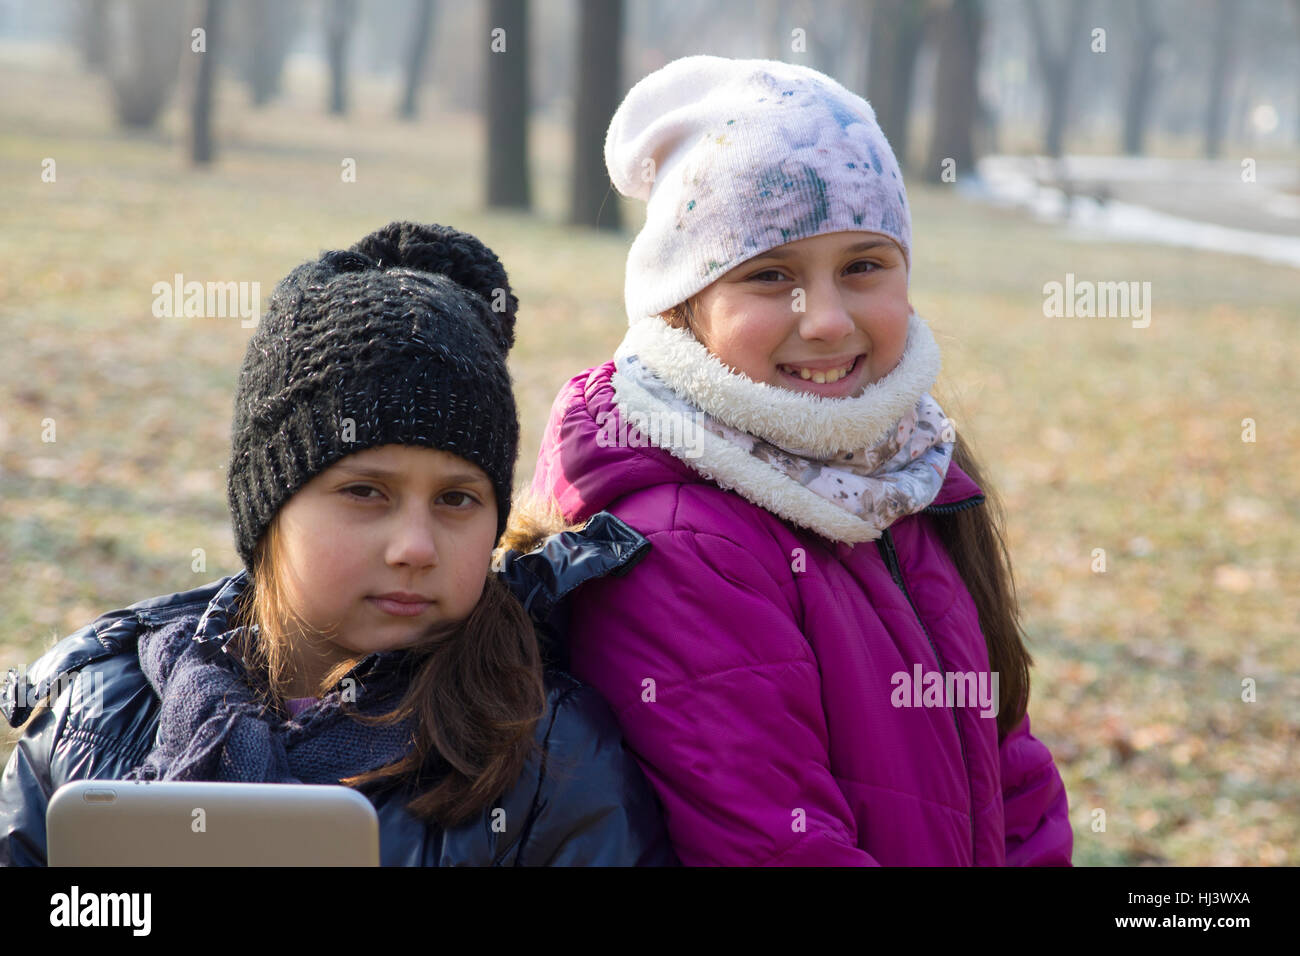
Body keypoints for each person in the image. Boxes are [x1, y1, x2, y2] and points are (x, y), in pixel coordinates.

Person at [530, 55, 1074, 865]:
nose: (823, 319)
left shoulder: (908, 475)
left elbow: (1011, 773)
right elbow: (773, 843)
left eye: (862, 266)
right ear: (682, 308)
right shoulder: (680, 545)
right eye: (770, 275)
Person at [0, 222, 677, 867]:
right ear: (268, 510)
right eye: (365, 493)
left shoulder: (550, 759)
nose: (415, 546)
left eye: (456, 500)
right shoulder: (95, 719)